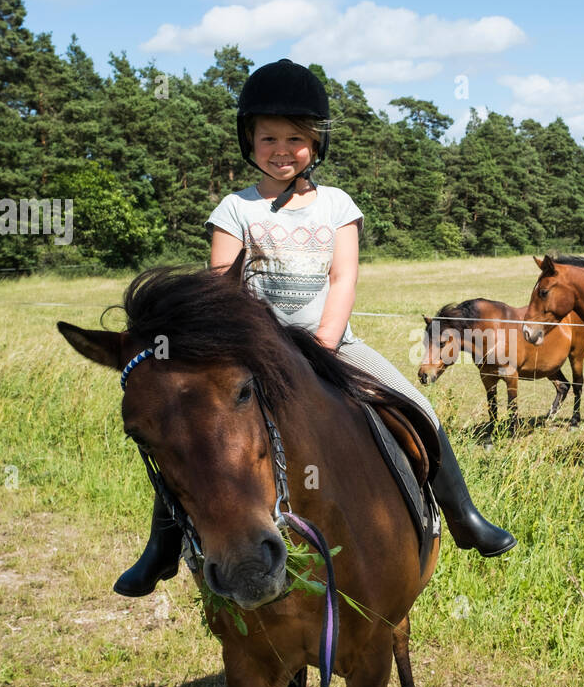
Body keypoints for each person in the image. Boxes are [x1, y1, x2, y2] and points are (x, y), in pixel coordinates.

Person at [115, 59, 515, 597]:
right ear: (248, 140)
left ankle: (464, 517)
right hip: (255, 355)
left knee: (418, 406)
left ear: (316, 145)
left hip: (335, 343)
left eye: (296, 139)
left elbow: (343, 277)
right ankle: (160, 547)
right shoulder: (234, 210)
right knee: (195, 438)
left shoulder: (337, 206)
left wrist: (325, 342)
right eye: (269, 138)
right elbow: (220, 294)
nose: (282, 149)